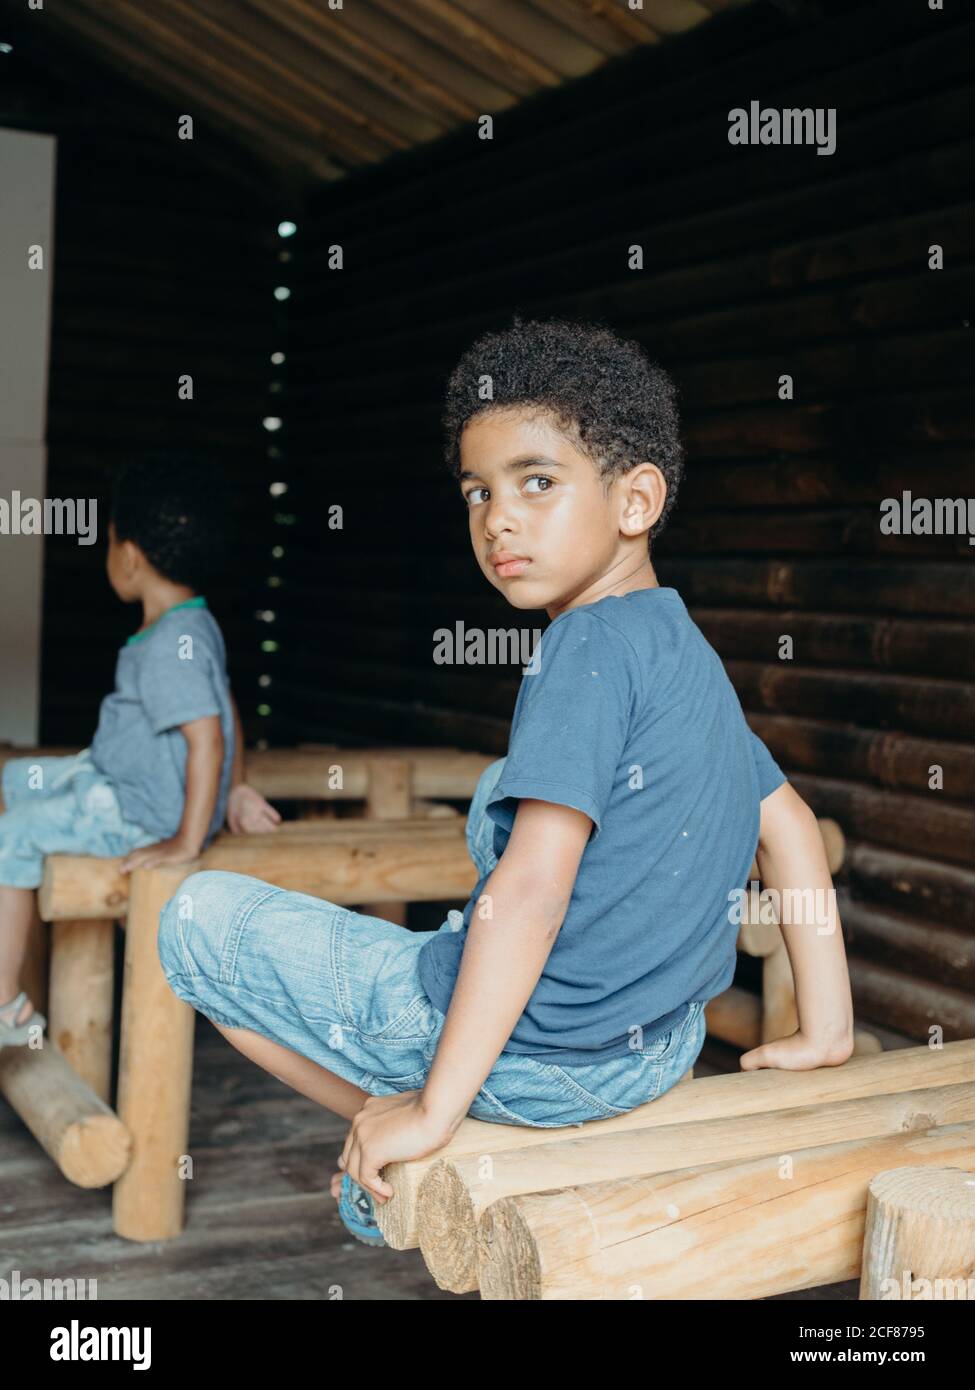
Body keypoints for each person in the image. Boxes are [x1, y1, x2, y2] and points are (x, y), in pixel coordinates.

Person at [156, 317, 855, 1248]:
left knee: (193, 920)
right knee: (498, 799)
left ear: (636, 498)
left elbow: (529, 892)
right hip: (654, 1051)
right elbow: (793, 829)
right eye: (478, 491)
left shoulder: (585, 647)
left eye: (537, 481)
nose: (498, 518)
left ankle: (409, 1139)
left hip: (538, 1060)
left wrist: (436, 1106)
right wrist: (827, 1028)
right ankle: (412, 1114)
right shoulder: (679, 644)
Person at [0, 452, 279, 1047]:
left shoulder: (168, 645)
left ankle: (7, 1004)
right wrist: (236, 786)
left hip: (129, 813)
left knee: (12, 834)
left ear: (127, 555)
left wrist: (184, 840)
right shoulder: (193, 624)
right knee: (17, 776)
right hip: (117, 784)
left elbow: (206, 737)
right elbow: (225, 705)